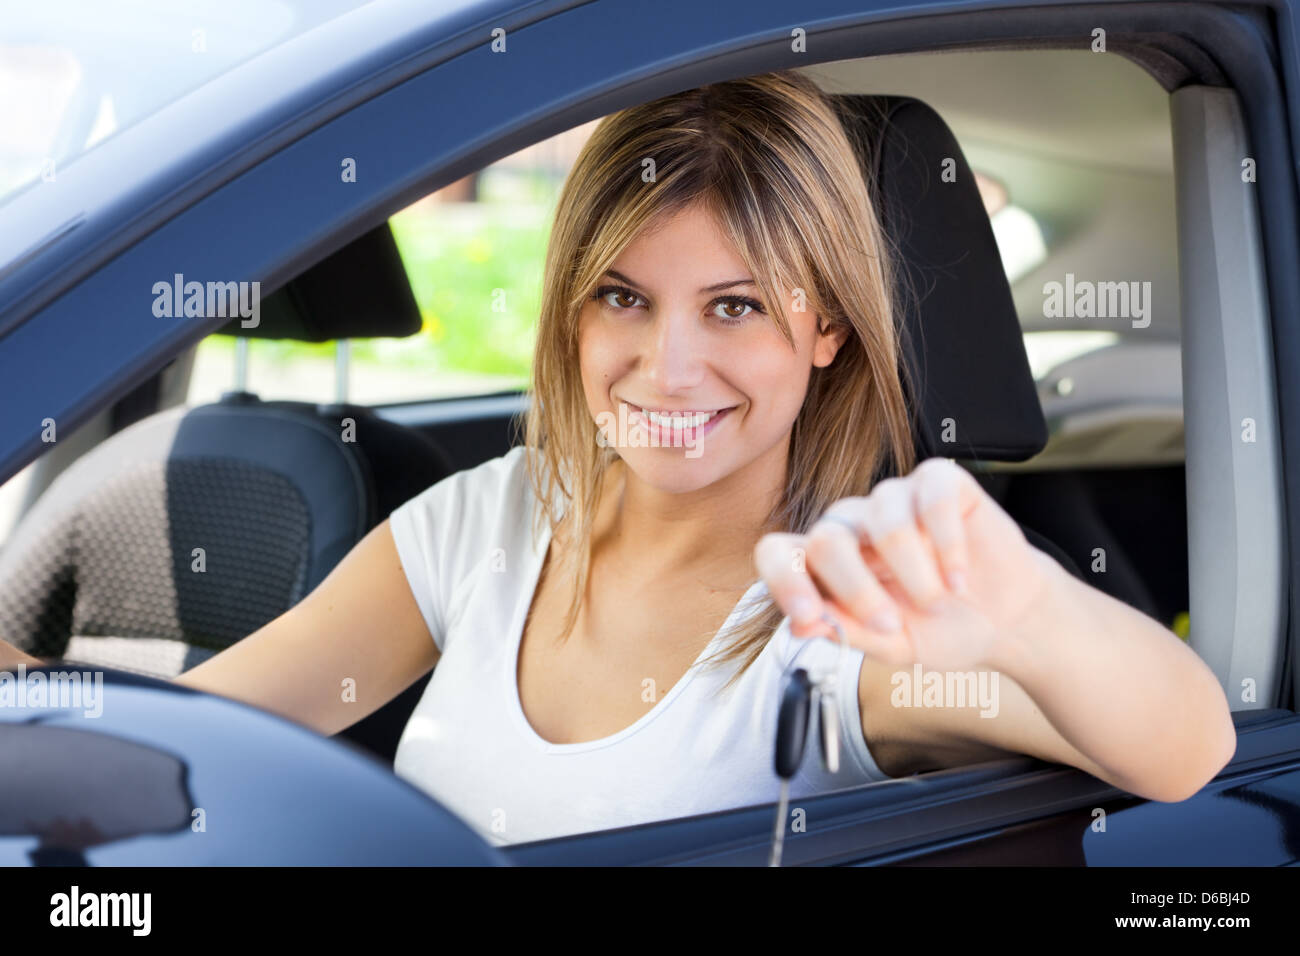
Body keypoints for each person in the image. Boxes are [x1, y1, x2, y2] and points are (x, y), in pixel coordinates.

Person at [0, 70, 1235, 847]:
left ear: (825, 327)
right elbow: (183, 732)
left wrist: (1023, 609)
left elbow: (1186, 749)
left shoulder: (848, 624)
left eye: (737, 306)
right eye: (623, 298)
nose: (667, 366)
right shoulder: (490, 519)